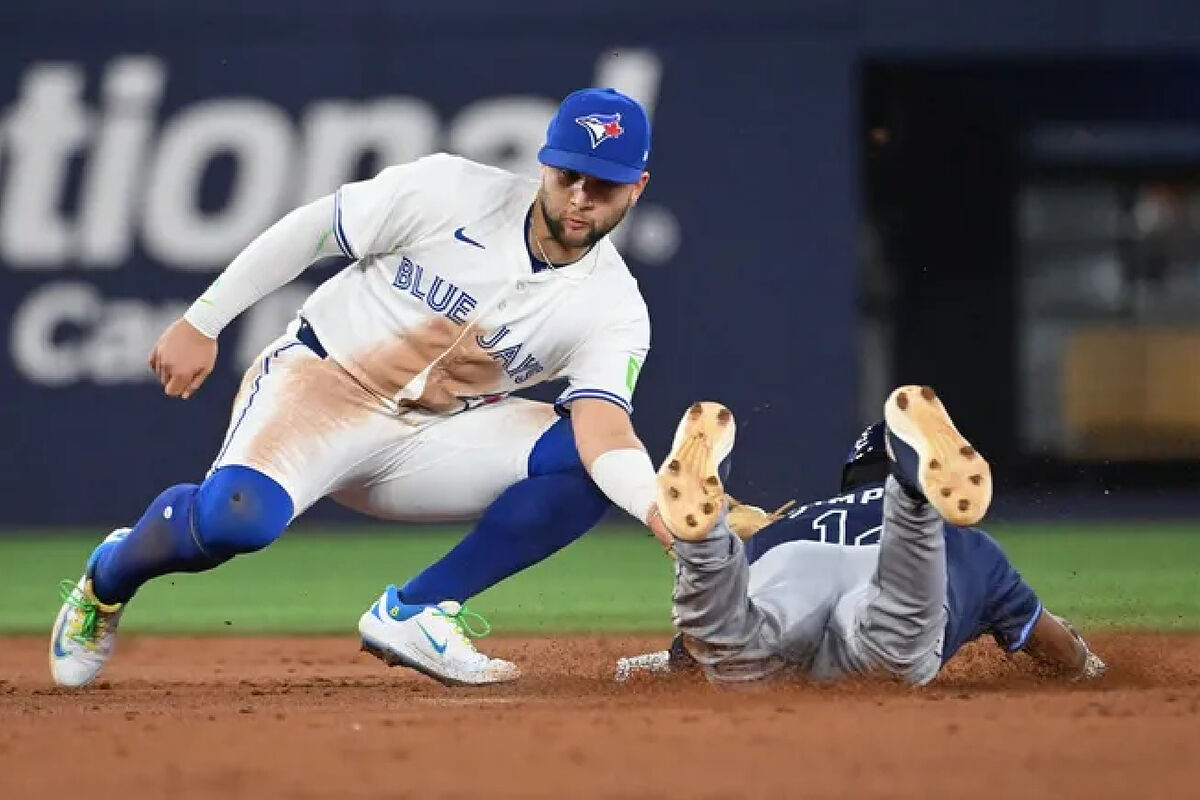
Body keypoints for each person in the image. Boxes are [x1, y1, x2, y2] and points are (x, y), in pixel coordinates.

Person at [50, 87, 674, 689]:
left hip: (435, 433)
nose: (580, 197)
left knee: (585, 467)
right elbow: (314, 229)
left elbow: (603, 429)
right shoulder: (452, 191)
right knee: (233, 523)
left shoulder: (614, 307)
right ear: (544, 164)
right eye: (569, 175)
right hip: (320, 384)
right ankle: (108, 578)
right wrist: (203, 320)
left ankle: (416, 612)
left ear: (637, 188)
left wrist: (655, 507)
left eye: (604, 185)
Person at [616, 387, 1105, 685]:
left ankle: (704, 545)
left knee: (741, 656)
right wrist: (1085, 664)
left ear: (851, 476)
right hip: (893, 580)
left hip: (793, 559)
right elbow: (1054, 647)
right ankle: (912, 500)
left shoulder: (785, 524)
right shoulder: (974, 548)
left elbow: (695, 650)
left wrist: (660, 662)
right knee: (885, 650)